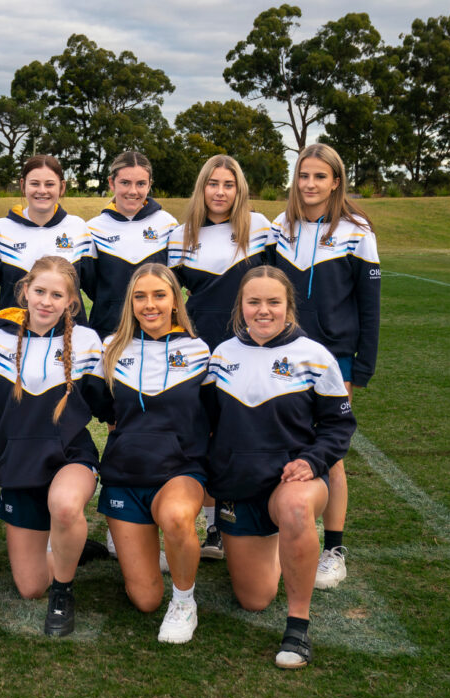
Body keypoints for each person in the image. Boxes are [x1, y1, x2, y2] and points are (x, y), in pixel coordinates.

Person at [202, 266, 356, 668]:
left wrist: (311, 460)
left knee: (295, 508)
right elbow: (206, 423)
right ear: (241, 305)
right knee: (254, 599)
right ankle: (279, 544)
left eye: (274, 302)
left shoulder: (314, 356)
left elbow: (339, 425)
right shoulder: (221, 356)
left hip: (293, 480)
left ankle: (298, 626)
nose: (263, 310)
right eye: (253, 302)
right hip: (239, 487)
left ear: (289, 306)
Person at [0, 256, 104, 637]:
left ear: (71, 302)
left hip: (70, 458)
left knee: (65, 506)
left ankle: (63, 591)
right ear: (24, 291)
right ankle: (70, 546)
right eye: (39, 291)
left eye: (57, 295)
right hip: (19, 465)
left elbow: (108, 404)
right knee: (29, 587)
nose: (46, 301)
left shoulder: (88, 342)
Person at [267, 144, 380, 590]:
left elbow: (369, 307)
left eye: (319, 176)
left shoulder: (357, 231)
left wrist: (361, 367)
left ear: (336, 182)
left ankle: (334, 549)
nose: (310, 184)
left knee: (330, 452)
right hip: (284, 354)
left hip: (336, 359)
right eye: (303, 175)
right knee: (280, 441)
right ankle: (280, 536)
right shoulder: (280, 227)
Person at [89, 263, 209, 644]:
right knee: (145, 599)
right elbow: (99, 404)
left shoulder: (199, 351)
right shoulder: (110, 349)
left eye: (159, 295)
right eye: (140, 296)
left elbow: (217, 413)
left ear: (176, 300)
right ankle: (157, 554)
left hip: (179, 470)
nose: (149, 304)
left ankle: (184, 602)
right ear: (130, 302)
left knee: (176, 516)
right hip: (125, 476)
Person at [167, 154, 271, 563]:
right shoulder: (181, 236)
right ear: (202, 188)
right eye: (213, 183)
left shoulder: (259, 228)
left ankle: (245, 520)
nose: (220, 192)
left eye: (229, 184)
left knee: (242, 432)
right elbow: (169, 296)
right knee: (206, 434)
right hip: (200, 347)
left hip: (249, 347)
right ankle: (214, 525)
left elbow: (276, 288)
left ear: (239, 189)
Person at [82, 151, 177, 338]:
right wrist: (113, 303)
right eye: (125, 183)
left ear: (149, 185)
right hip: (108, 331)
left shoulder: (167, 224)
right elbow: (91, 284)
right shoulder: (92, 229)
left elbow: (175, 279)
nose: (133, 191)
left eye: (140, 184)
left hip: (157, 332)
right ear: (111, 183)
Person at [0, 155, 91, 317]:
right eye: (35, 183)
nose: (42, 190)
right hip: (14, 330)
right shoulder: (0, 229)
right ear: (23, 185)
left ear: (62, 187)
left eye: (49, 184)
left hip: (69, 330)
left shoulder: (78, 228)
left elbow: (92, 285)